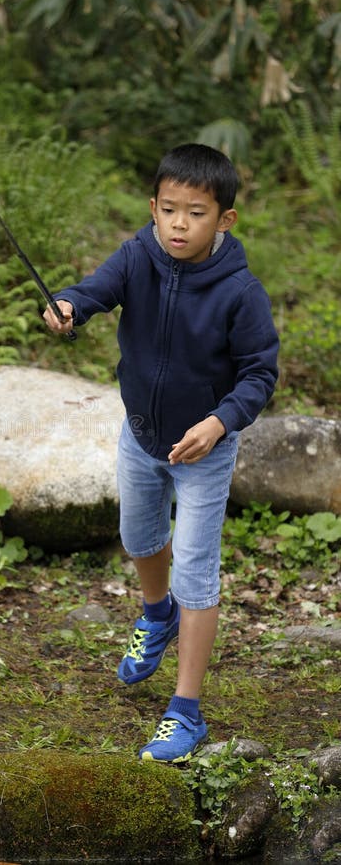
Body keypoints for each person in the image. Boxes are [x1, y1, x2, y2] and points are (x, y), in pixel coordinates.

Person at [43, 143, 279, 763]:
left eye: (196, 213)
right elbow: (96, 288)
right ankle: (156, 614)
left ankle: (187, 710)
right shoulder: (137, 257)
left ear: (224, 219)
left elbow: (259, 374)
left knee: (196, 572)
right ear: (152, 208)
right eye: (169, 210)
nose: (179, 224)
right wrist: (69, 305)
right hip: (142, 434)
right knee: (139, 538)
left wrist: (221, 423)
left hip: (203, 450)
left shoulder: (240, 292)